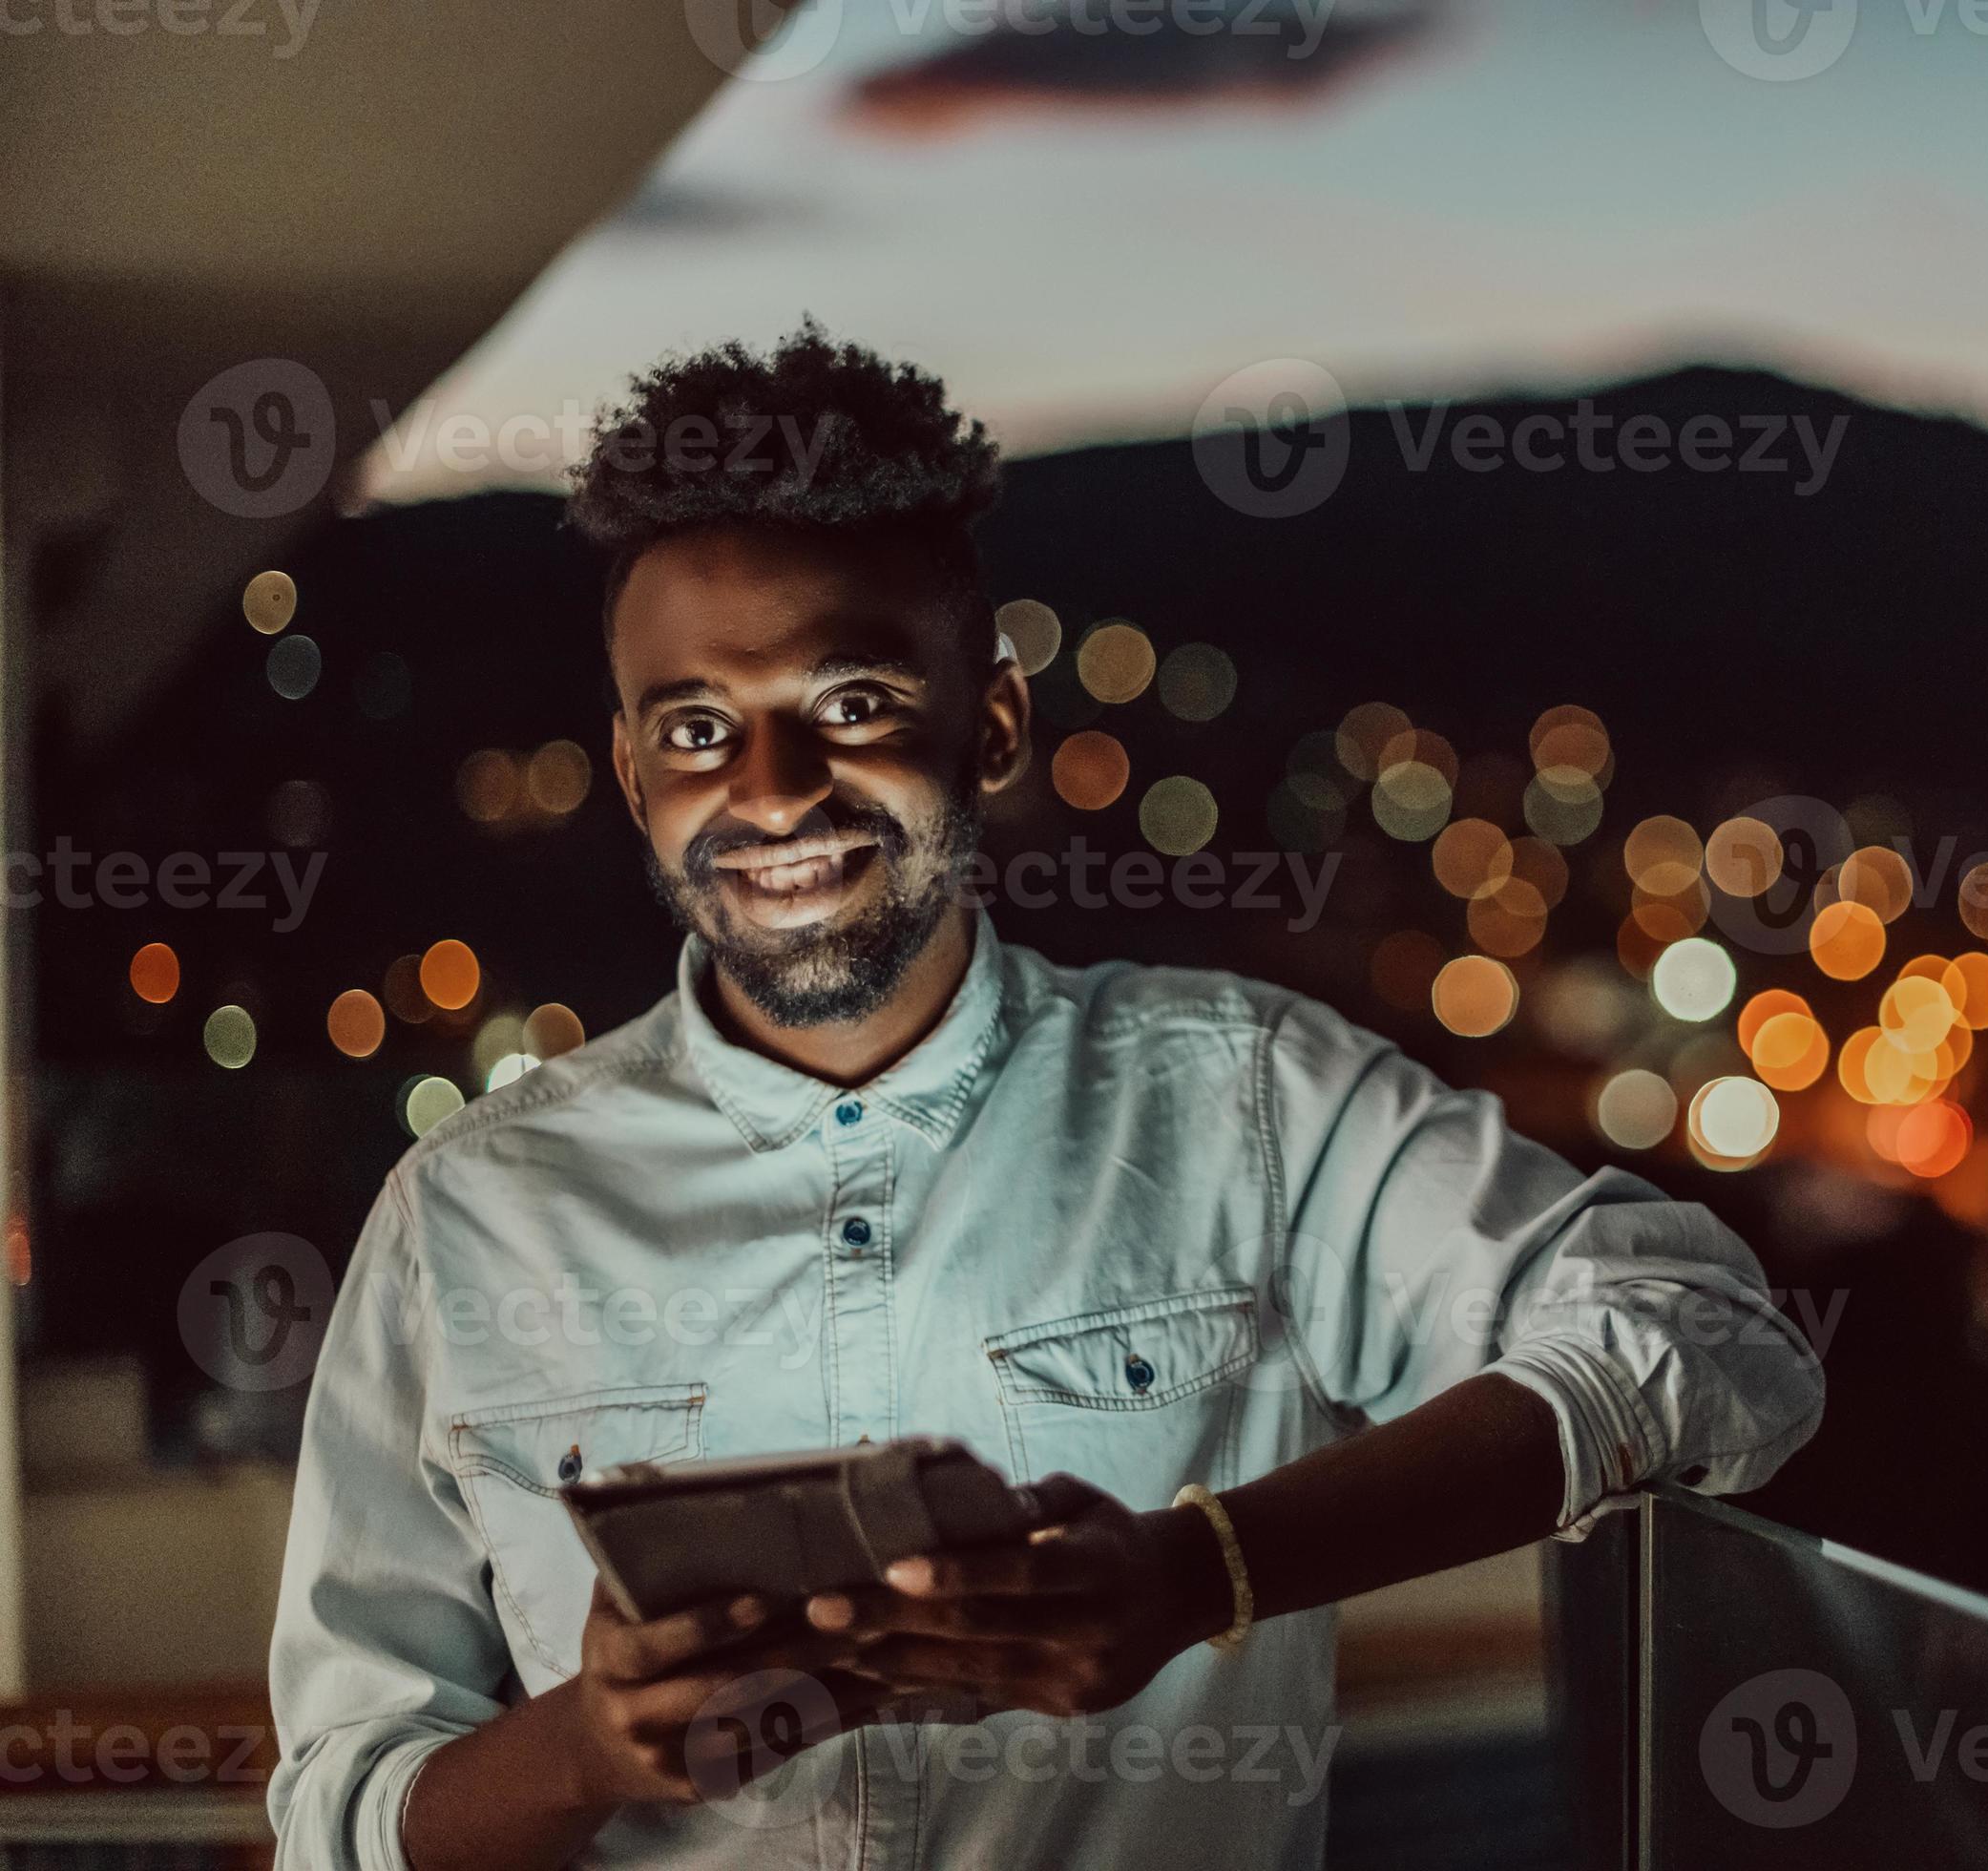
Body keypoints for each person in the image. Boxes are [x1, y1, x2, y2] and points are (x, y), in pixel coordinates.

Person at [264, 322, 1825, 1870]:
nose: (772, 788)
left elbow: (1708, 1339)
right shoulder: (466, 1215)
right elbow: (336, 1813)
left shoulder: (1249, 1103)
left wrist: (1201, 1569)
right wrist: (585, 1749)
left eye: (853, 702)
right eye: (696, 731)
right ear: (630, 774)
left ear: (992, 722)